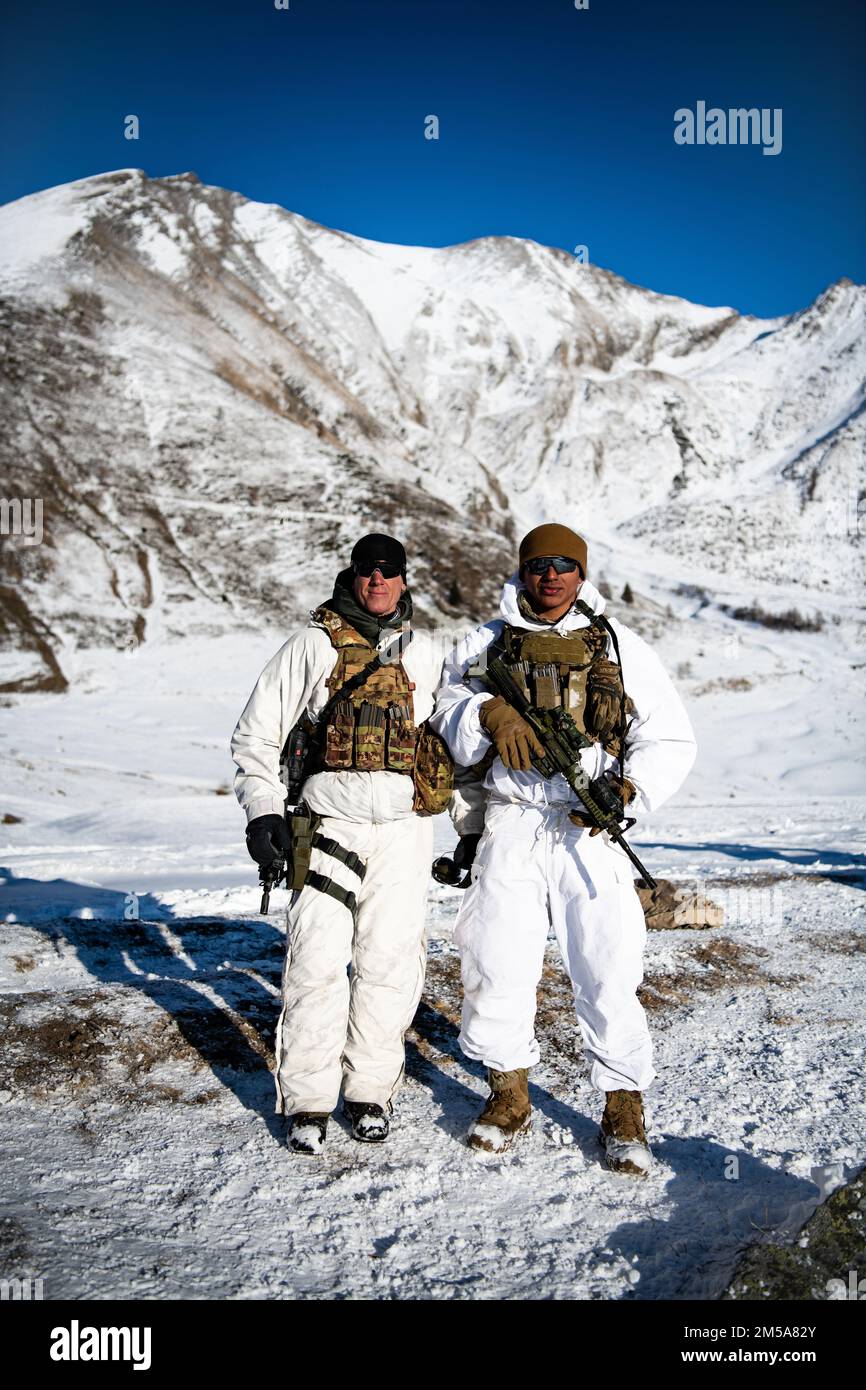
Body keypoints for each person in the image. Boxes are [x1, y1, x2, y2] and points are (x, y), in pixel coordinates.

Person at [429, 523, 697, 1176]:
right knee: (495, 963)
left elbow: (669, 738)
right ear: (521, 572)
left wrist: (627, 790)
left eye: (562, 564)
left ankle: (623, 1104)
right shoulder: (483, 641)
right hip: (513, 824)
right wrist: (486, 714)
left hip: (590, 828)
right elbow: (443, 710)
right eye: (537, 564)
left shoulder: (619, 646)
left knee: (609, 969)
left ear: (581, 573)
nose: (549, 575)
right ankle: (508, 1094)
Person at [231, 534, 449, 1154]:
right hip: (329, 821)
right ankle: (307, 1099)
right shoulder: (313, 644)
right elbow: (256, 737)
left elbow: (449, 749)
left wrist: (465, 833)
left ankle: (370, 1091)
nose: (377, 580)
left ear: (405, 580)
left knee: (391, 960)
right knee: (317, 959)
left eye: (390, 571)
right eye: (367, 569)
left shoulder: (428, 654)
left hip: (406, 828)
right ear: (352, 575)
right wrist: (264, 813)